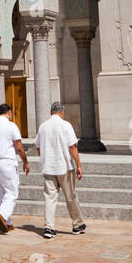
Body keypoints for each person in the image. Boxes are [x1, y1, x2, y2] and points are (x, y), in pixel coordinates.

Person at [35, 101, 86, 239]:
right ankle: (77, 224)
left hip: (48, 167)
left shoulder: (43, 126)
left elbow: (38, 147)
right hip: (64, 166)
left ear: (51, 112)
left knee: (50, 198)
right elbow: (73, 147)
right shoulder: (65, 125)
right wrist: (79, 165)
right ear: (62, 112)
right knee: (70, 196)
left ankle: (49, 227)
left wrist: (45, 158)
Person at [0, 103, 28, 233]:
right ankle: (2, 215)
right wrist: (25, 161)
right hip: (7, 163)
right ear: (9, 113)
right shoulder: (11, 126)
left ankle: (7, 223)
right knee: (12, 192)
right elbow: (19, 147)